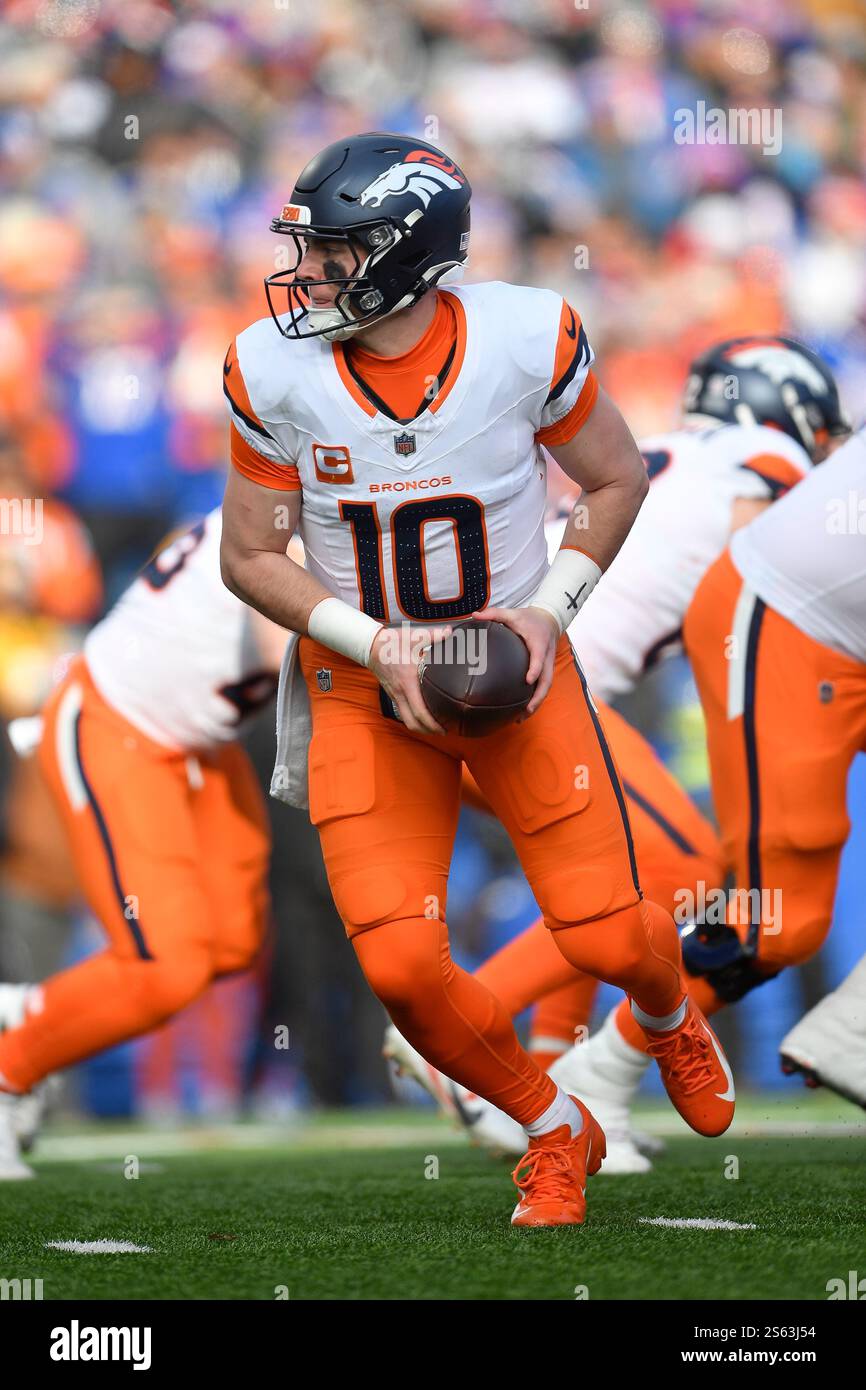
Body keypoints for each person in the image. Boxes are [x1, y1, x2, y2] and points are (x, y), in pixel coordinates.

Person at [219, 131, 734, 1229]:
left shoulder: (523, 335)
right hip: (364, 679)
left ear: (407, 253)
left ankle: (660, 1012)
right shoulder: (269, 369)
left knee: (602, 931)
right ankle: (552, 1128)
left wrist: (545, 615)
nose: (306, 275)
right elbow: (250, 554)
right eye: (307, 251)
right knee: (404, 968)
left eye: (336, 253)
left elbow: (611, 479)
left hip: (514, 667)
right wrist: (380, 647)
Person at [383, 336, 851, 1167]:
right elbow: (757, 590)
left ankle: (561, 1079)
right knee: (689, 878)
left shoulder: (686, 454)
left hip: (470, 683)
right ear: (790, 411)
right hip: (534, 689)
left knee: (602, 884)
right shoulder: (765, 463)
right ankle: (452, 1032)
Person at [0, 509, 283, 1178]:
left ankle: (27, 1011)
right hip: (116, 722)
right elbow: (292, 655)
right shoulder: (286, 523)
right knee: (166, 966)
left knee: (235, 937)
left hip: (200, 742)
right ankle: (11, 1069)